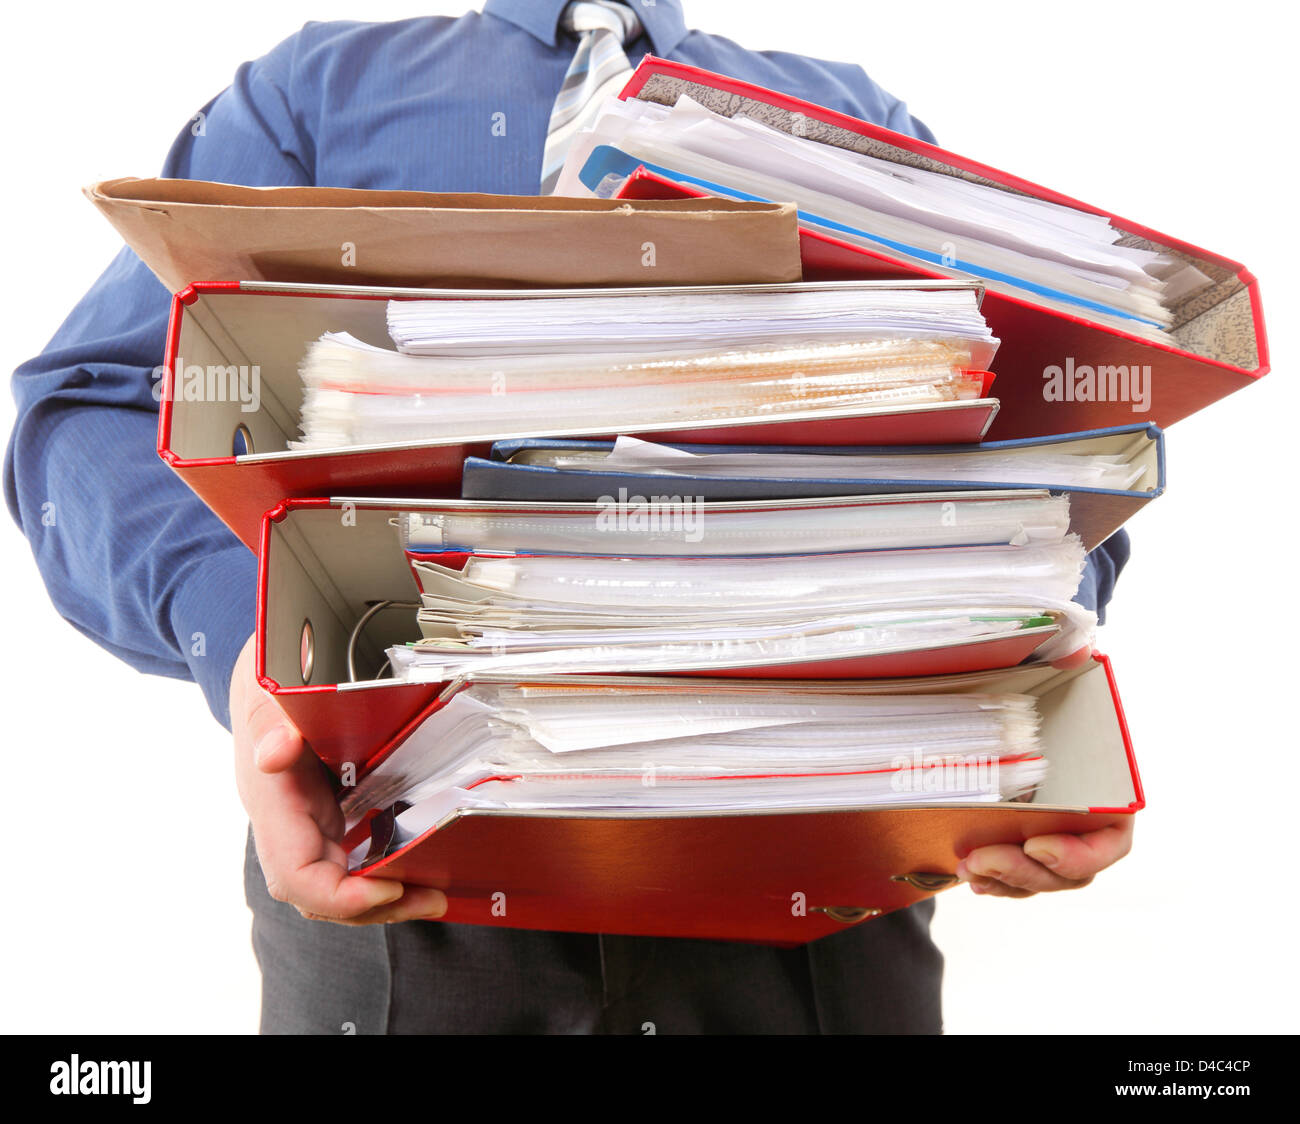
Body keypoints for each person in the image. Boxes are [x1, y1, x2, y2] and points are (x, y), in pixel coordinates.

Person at [5, 0, 1132, 1034]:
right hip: (404, 905)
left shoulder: (848, 120)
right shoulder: (312, 92)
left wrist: (1022, 678)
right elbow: (89, 412)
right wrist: (257, 653)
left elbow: (1032, 436)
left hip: (813, 896)